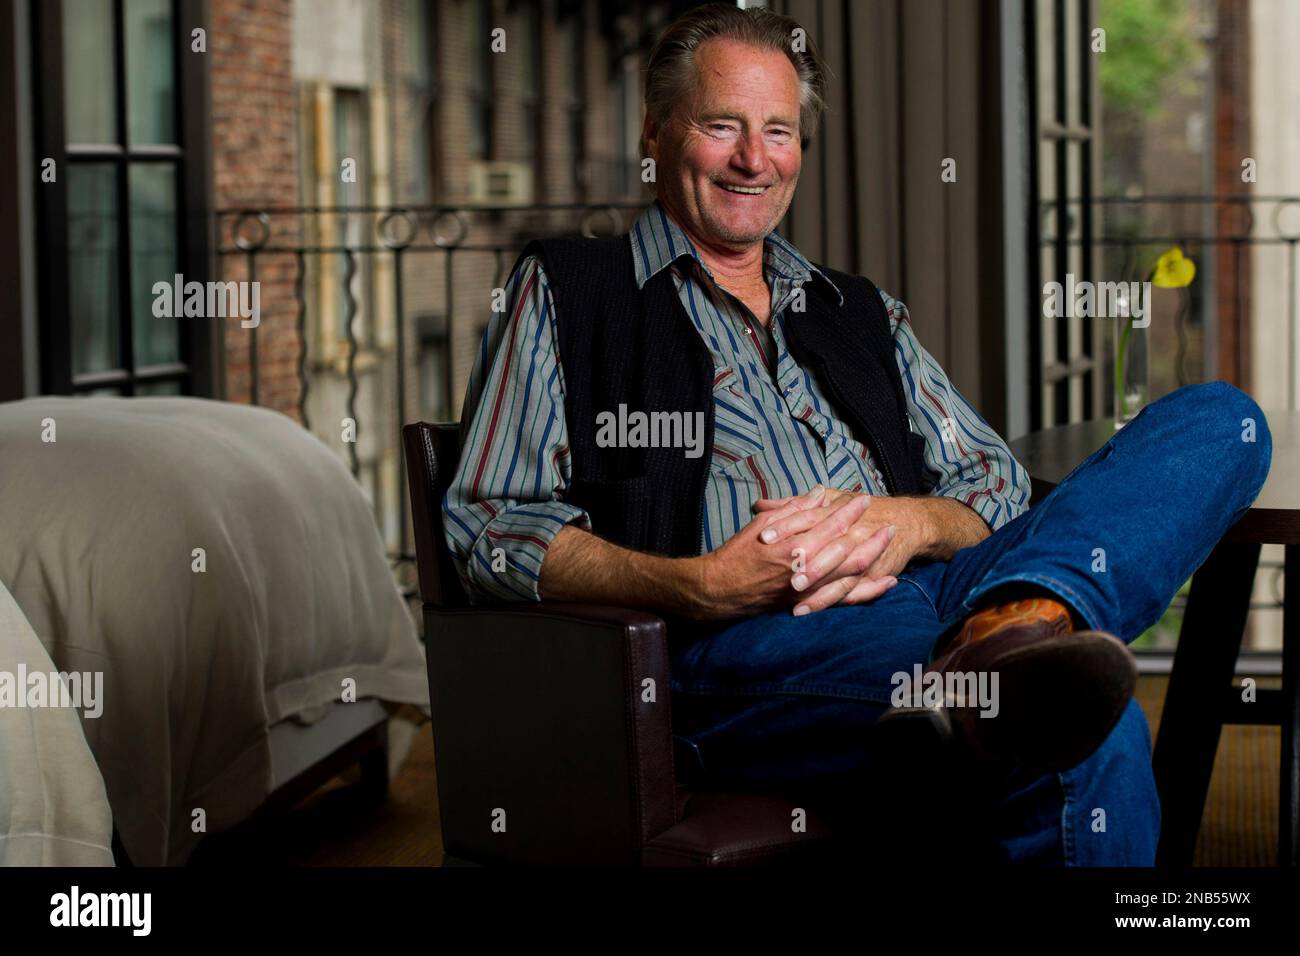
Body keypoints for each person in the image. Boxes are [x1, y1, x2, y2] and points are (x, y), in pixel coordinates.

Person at [442, 2, 1271, 865]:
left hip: (945, 597)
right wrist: (696, 587)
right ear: (656, 132)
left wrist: (905, 522)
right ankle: (1004, 667)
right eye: (722, 125)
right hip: (749, 640)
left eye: (779, 130)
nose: (754, 159)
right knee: (1083, 732)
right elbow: (486, 523)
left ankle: (1013, 627)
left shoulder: (857, 307)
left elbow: (991, 478)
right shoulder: (570, 290)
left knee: (1223, 421)